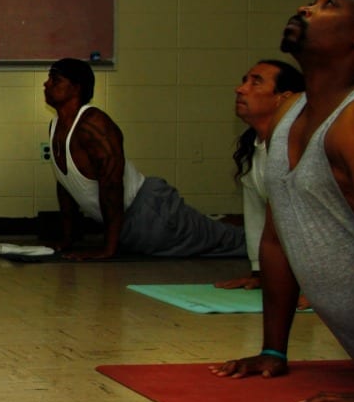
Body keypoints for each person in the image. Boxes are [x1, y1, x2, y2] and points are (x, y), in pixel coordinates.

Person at [212, 0, 354, 402]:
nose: (305, 7)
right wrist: (274, 351)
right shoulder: (288, 118)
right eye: (312, 1)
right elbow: (279, 240)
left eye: (328, 5)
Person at [44, 57, 245, 260]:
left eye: (55, 80)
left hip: (153, 213)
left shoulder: (94, 124)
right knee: (218, 236)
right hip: (133, 223)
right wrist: (67, 240)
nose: (47, 84)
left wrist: (108, 249)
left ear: (76, 88)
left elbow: (112, 184)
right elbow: (66, 185)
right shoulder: (56, 127)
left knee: (232, 241)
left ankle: (267, 238)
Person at [213, 60, 304, 289]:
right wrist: (260, 273)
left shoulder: (302, 148)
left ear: (284, 98)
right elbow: (257, 218)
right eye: (245, 81)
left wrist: (321, 289)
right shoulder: (254, 149)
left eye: (256, 83)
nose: (240, 89)